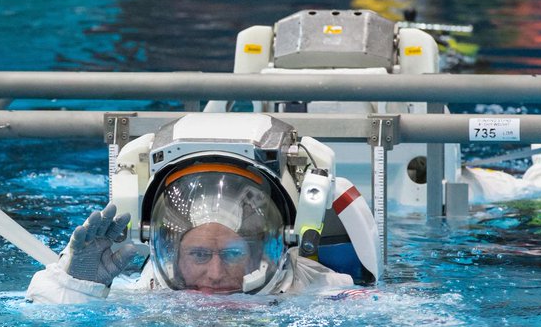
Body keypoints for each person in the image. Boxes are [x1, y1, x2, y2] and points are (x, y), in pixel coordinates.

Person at [26, 116, 360, 303]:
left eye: (231, 254)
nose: (214, 275)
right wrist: (77, 286)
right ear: (171, 252)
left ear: (266, 249)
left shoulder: (322, 298)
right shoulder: (144, 296)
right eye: (199, 255)